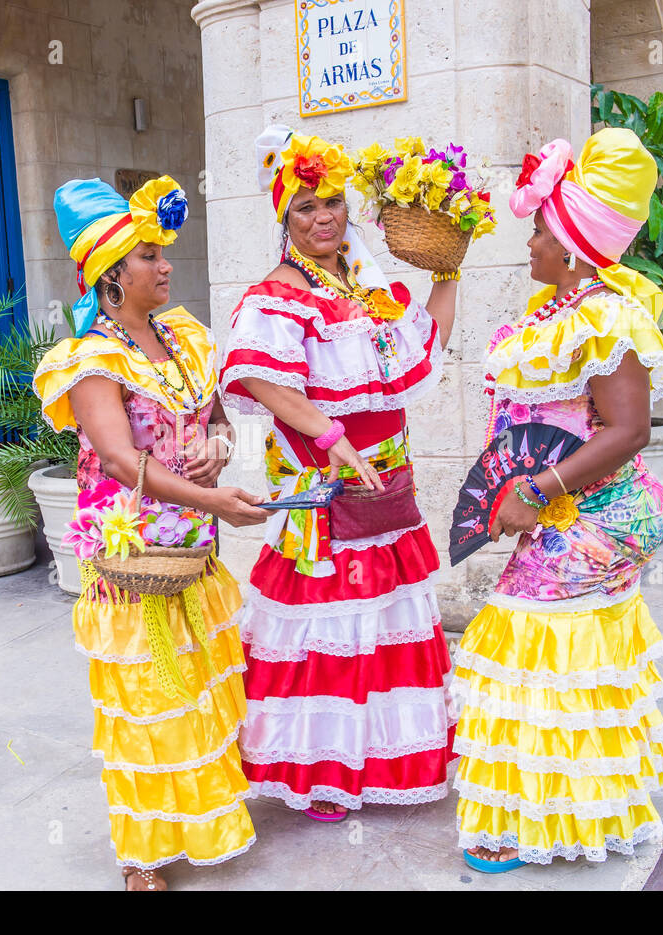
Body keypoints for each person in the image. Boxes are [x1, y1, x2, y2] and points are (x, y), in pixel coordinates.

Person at [452, 128, 663, 872]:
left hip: (606, 512)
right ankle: (582, 802)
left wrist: (537, 490)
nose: (529, 239)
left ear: (573, 245)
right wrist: (511, 493)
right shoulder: (550, 314)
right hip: (565, 508)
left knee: (522, 632)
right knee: (570, 643)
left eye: (541, 228)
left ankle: (536, 819)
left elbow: (629, 430)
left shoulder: (606, 316)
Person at [33, 175, 270, 890]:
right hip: (135, 564)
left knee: (196, 689)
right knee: (146, 702)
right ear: (111, 276)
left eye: (164, 254)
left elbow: (222, 422)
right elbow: (115, 457)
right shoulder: (90, 360)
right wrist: (211, 495)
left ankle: (198, 817)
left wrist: (217, 451)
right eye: (147, 256)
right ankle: (140, 855)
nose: (166, 266)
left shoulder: (186, 337)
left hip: (192, 554)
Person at [220, 126, 460, 820]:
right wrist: (330, 436)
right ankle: (321, 773)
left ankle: (384, 758)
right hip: (321, 485)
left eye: (331, 203)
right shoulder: (277, 293)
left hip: (383, 483)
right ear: (284, 220)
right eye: (305, 207)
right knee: (328, 623)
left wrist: (449, 271)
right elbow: (263, 381)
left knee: (384, 619)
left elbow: (428, 343)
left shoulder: (366, 285)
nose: (323, 217)